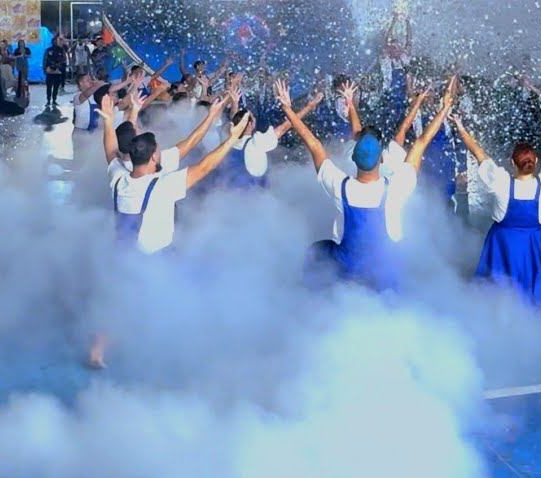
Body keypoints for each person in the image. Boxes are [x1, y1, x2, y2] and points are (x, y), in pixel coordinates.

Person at [90, 100, 251, 369]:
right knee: (183, 290)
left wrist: (108, 121)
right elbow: (204, 166)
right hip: (153, 260)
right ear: (154, 157)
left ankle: (97, 351)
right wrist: (232, 138)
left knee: (123, 304)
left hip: (124, 255)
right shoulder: (164, 185)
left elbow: (109, 151)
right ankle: (186, 343)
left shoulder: (119, 179)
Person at [288, 77, 451, 291]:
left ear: (353, 158)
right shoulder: (396, 188)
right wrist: (445, 107)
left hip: (347, 268)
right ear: (381, 159)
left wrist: (287, 108)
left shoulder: (341, 186)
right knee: (400, 253)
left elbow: (314, 144)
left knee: (316, 251)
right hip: (383, 270)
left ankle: (309, 295)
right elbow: (420, 143)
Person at [452, 111, 541, 306]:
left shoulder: (500, 182)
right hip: (537, 240)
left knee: (496, 289)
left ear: (512, 164)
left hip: (504, 240)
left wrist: (461, 128)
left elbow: (479, 154)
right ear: (535, 163)